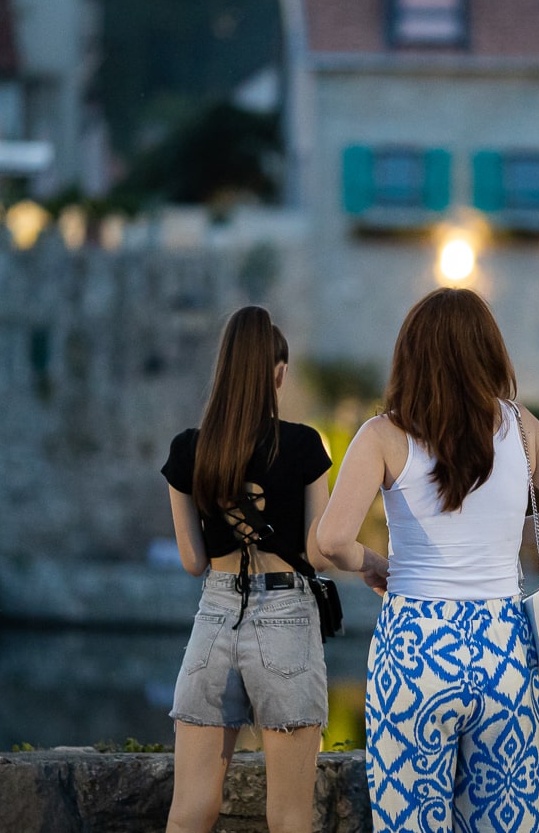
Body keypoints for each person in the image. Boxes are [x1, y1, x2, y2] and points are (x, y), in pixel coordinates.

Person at [316, 287, 539, 833]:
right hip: (503, 649)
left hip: (415, 646)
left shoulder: (383, 434)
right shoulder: (521, 427)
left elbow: (331, 540)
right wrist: (501, 535)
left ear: (410, 354)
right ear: (488, 351)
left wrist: (374, 563)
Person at [160, 306, 333, 833]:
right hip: (285, 614)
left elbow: (192, 561)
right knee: (288, 816)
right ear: (278, 373)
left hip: (212, 619)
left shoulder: (189, 450)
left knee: (191, 808)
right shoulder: (305, 445)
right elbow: (320, 552)